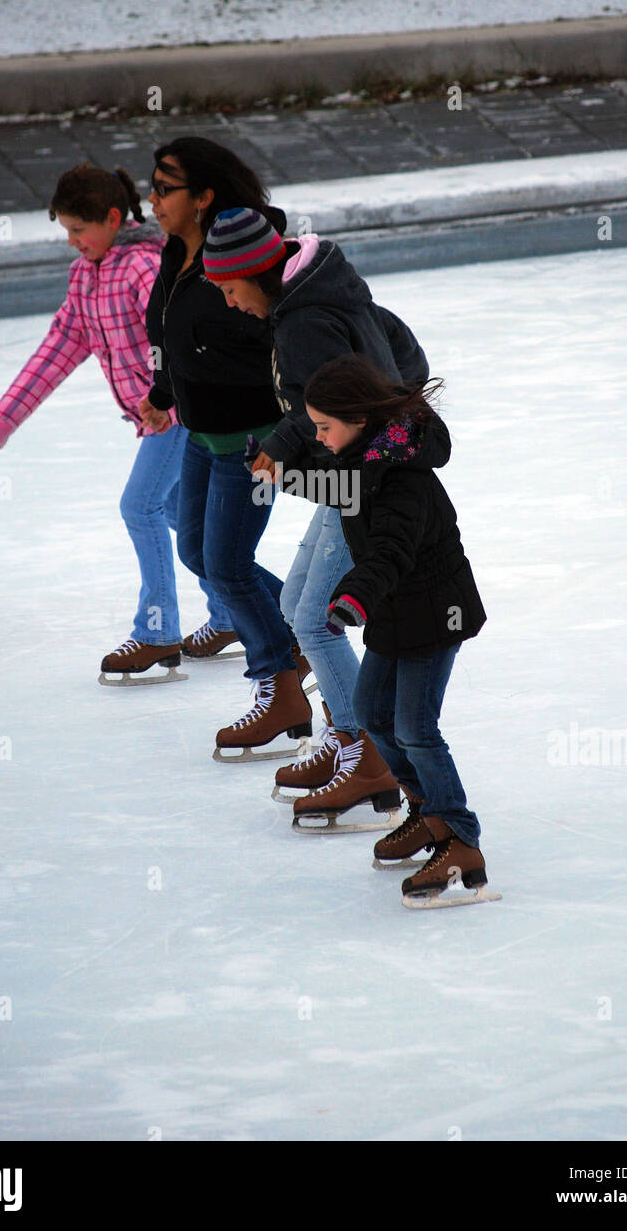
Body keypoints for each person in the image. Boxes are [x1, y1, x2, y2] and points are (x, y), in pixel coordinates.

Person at [201, 207, 427, 806]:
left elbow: (334, 397)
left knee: (313, 621)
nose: (228, 303)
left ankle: (369, 757)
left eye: (228, 288)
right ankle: (350, 735)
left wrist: (284, 443)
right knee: (294, 603)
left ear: (255, 272)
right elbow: (399, 347)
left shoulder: (305, 321)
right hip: (353, 476)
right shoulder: (329, 292)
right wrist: (402, 406)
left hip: (361, 484)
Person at [0, 162, 229, 683]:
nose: (72, 241)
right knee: (181, 515)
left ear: (113, 218)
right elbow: (59, 348)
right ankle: (234, 611)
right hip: (158, 417)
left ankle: (159, 632)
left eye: (78, 229)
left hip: (178, 413)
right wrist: (7, 415)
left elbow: (181, 338)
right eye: (66, 231)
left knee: (141, 505)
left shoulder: (143, 268)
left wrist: (170, 397)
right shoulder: (86, 278)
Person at [296, 354, 489, 906]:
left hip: (432, 613)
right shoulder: (362, 457)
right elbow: (329, 479)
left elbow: (391, 550)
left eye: (324, 426)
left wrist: (354, 597)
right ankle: (428, 814)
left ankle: (459, 839)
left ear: (358, 419)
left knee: (414, 727)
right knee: (373, 713)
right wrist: (278, 470)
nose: (318, 436)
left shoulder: (400, 476)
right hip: (394, 613)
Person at [139, 141, 312, 756]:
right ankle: (294, 635)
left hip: (254, 439)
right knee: (197, 550)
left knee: (228, 564)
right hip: (201, 432)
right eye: (152, 187)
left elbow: (275, 342)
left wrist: (283, 433)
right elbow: (170, 332)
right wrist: (163, 392)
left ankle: (280, 687)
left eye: (165, 188)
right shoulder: (176, 252)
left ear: (204, 196)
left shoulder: (239, 255)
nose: (152, 200)